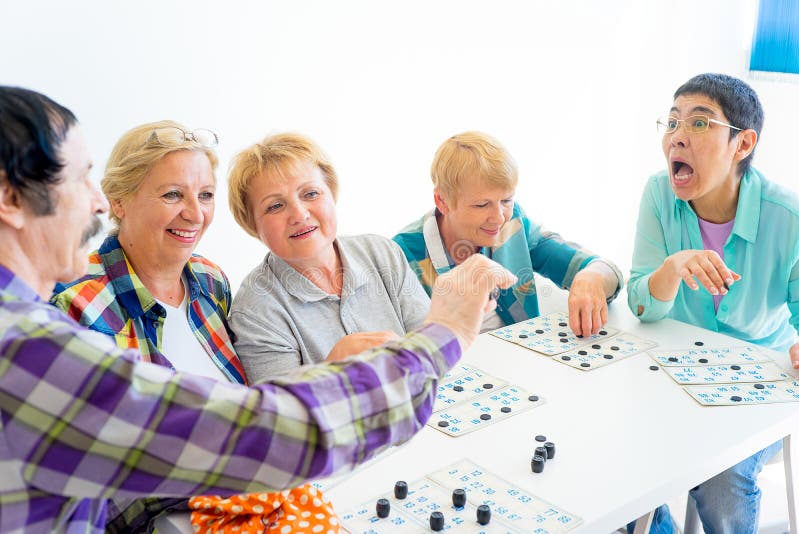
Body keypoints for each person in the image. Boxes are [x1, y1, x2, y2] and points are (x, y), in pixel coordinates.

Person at [0, 86, 515, 534]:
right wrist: (441, 334)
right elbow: (257, 431)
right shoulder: (36, 338)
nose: (92, 201)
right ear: (9, 197)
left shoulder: (209, 281)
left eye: (203, 195)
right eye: (80, 180)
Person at [50, 121, 337, 533]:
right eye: (172, 195)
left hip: (258, 495)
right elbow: (92, 472)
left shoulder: (209, 280)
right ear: (118, 201)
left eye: (204, 196)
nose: (195, 213)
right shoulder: (77, 304)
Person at [628, 73, 799, 533]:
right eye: (671, 121)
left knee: (722, 475)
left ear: (742, 144)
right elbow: (644, 306)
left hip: (757, 389)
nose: (677, 135)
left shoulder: (789, 216)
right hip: (672, 375)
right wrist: (671, 269)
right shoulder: (658, 195)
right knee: (612, 451)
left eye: (700, 123)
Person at [227, 133, 430, 380]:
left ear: (331, 194)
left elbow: (431, 351)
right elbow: (282, 414)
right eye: (275, 206)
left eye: (311, 194)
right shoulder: (255, 311)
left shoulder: (382, 253)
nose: (299, 215)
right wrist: (331, 370)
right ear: (252, 225)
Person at [393, 131, 623, 336]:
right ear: (442, 201)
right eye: (481, 205)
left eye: (506, 200)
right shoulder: (399, 256)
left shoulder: (514, 224)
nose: (499, 217)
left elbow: (606, 271)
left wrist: (591, 276)